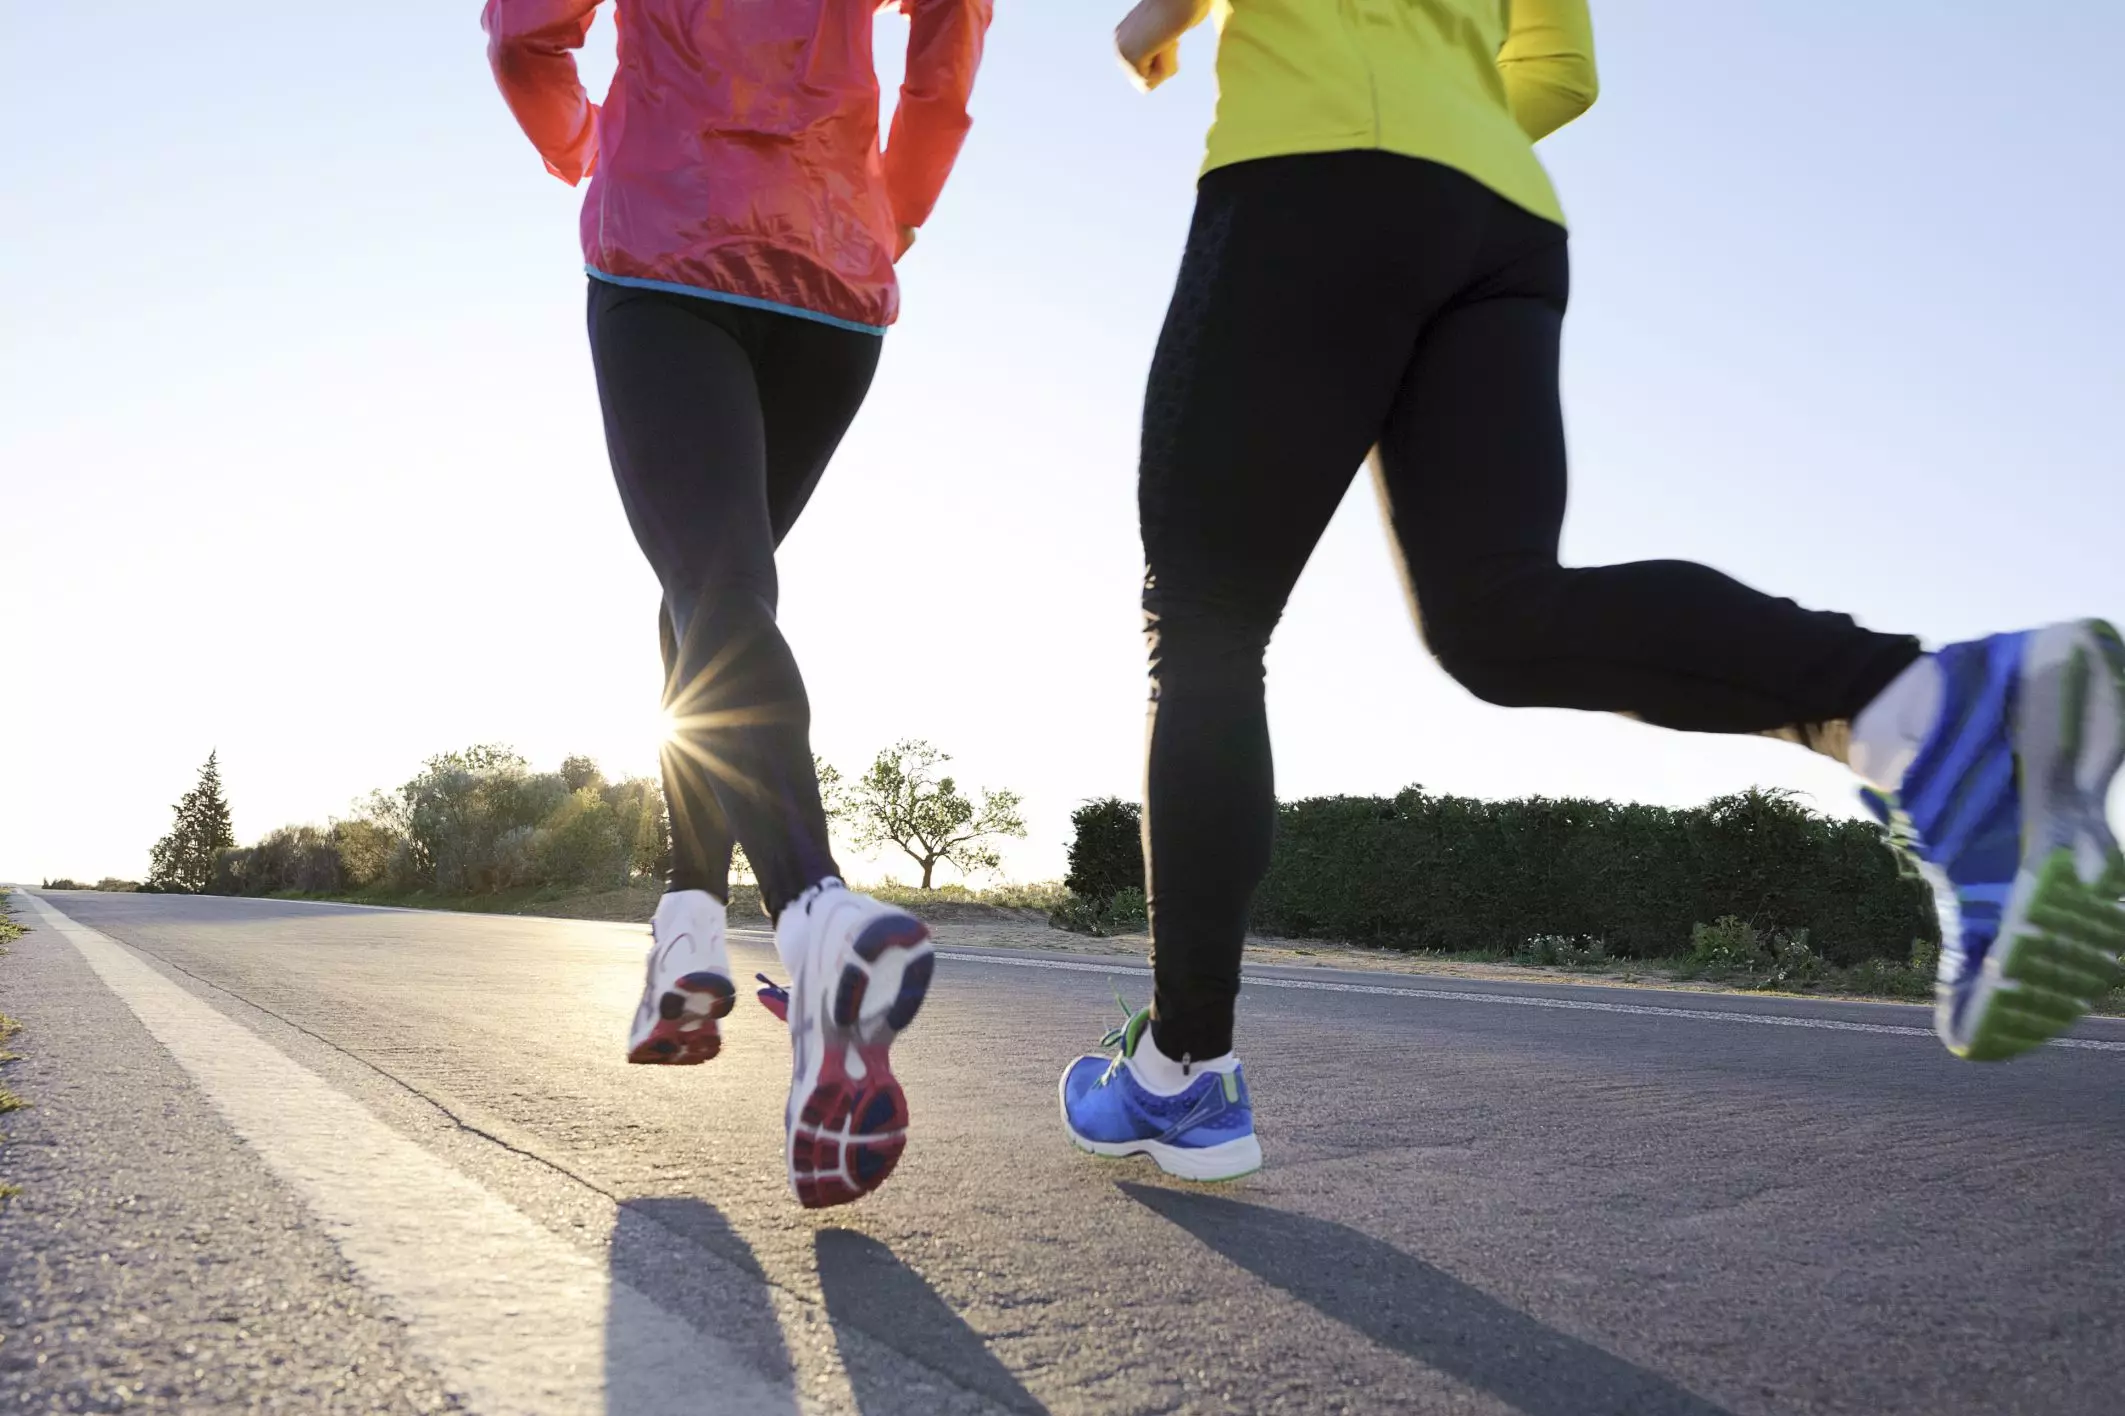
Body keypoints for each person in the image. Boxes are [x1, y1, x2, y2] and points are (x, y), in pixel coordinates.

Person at [1060, 0, 2125, 1182]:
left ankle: (1179, 1072)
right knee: (1497, 618)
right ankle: (1926, 711)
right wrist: (1443, 122)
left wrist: (1155, 30)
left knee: (1205, 628)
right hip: (1498, 219)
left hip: (1310, 172)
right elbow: (1562, 72)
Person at [483, 0, 991, 1209]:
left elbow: (522, 38)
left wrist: (585, 148)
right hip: (831, 274)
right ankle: (690, 930)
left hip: (667, 242)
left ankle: (816, 913)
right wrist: (893, 206)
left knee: (714, 585)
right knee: (717, 589)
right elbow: (952, 33)